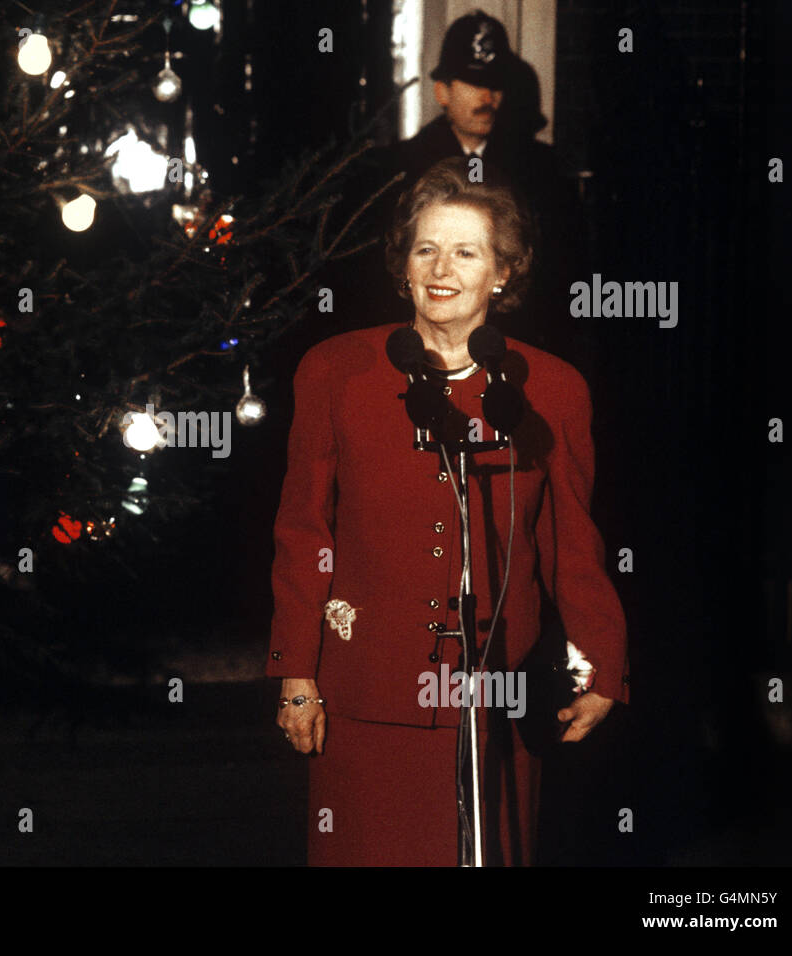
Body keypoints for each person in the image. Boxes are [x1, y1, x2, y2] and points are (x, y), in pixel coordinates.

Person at [265, 157, 629, 866]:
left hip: (497, 697)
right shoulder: (336, 371)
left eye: (466, 251)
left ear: (503, 272)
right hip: (366, 693)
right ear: (402, 267)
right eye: (424, 248)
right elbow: (302, 531)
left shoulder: (551, 389)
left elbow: (572, 545)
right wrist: (295, 674)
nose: (442, 268)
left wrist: (602, 665)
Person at [339, 10, 583, 357]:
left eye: (495, 84)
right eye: (474, 83)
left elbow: (562, 281)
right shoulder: (394, 173)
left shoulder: (543, 173)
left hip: (518, 350)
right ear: (442, 91)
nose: (488, 97)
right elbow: (373, 285)